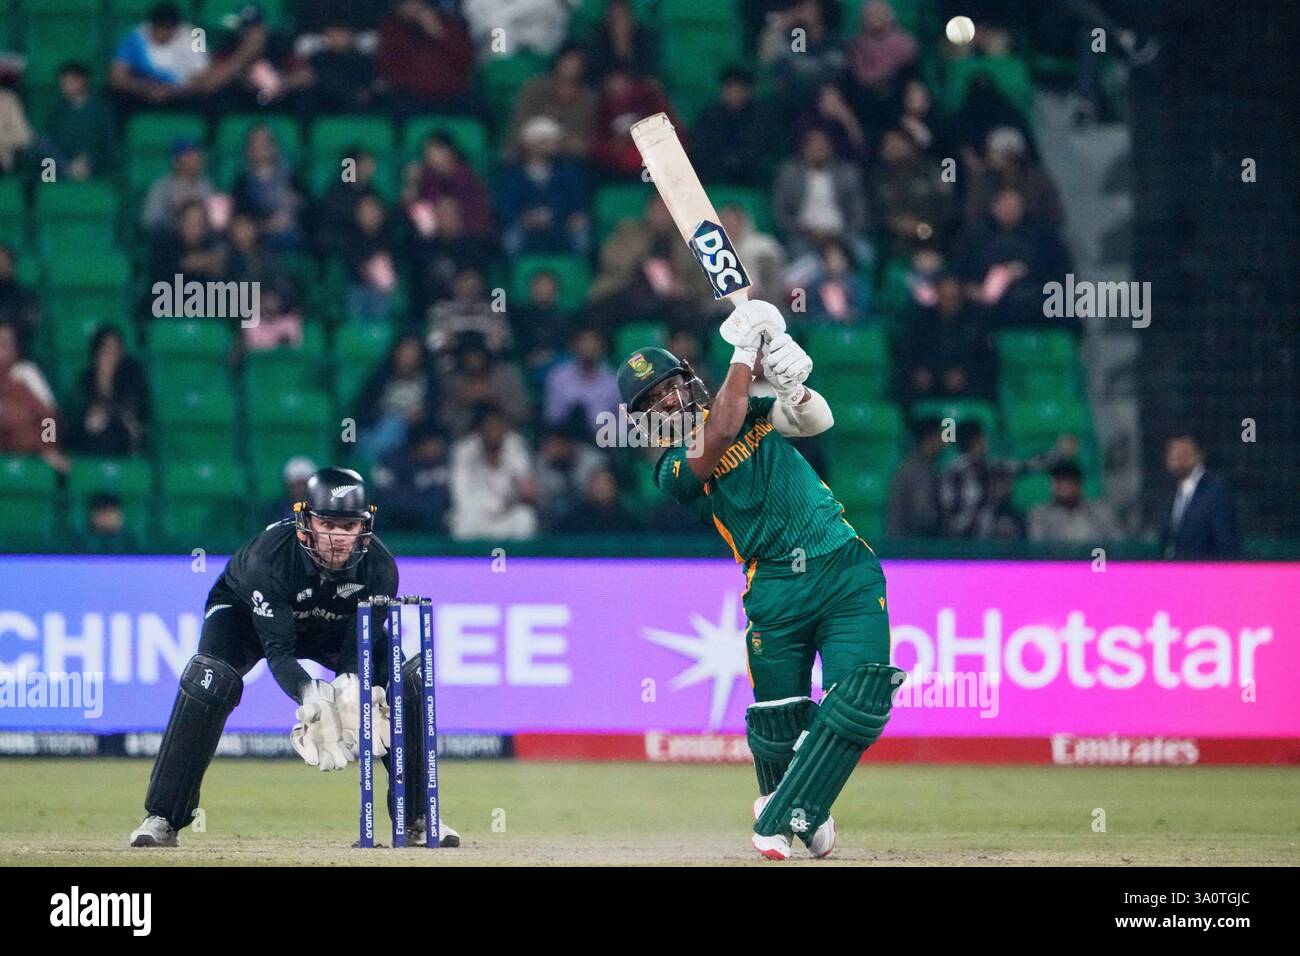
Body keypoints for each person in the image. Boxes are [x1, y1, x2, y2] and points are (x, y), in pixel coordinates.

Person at [619, 299, 903, 860]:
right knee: (778, 724)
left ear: (688, 379)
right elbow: (723, 423)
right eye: (651, 401)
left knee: (865, 695)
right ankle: (803, 807)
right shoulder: (673, 469)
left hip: (843, 565)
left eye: (670, 385)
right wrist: (748, 348)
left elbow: (817, 420)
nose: (667, 400)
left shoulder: (747, 407)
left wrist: (791, 381)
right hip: (774, 591)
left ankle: (779, 818)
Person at [128, 468, 458, 848]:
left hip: (334, 627)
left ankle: (416, 817)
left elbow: (355, 653)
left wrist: (351, 687)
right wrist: (312, 694)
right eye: (328, 523)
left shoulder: (380, 568)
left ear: (363, 527)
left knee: (406, 682)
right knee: (210, 680)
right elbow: (279, 653)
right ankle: (163, 818)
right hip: (244, 616)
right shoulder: (268, 560)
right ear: (305, 524)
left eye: (349, 526)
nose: (338, 537)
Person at [938, 421, 1076, 539]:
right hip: (962, 546)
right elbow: (948, 512)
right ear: (978, 441)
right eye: (984, 437)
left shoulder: (989, 467)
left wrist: (1058, 454)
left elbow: (1027, 466)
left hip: (975, 545)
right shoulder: (959, 473)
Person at [448, 407, 539, 541]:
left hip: (507, 513)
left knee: (525, 517)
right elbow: (459, 494)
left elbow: (525, 490)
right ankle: (469, 561)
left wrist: (507, 506)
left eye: (499, 428)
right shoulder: (464, 450)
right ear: (479, 431)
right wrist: (486, 509)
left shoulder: (515, 446)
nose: (495, 433)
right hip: (477, 514)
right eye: (490, 428)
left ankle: (518, 561)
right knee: (461, 520)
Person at [66, 326, 150, 456]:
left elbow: (133, 410)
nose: (111, 354)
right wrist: (90, 417)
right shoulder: (86, 378)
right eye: (106, 349)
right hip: (91, 432)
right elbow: (76, 409)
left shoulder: (132, 373)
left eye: (116, 349)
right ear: (96, 353)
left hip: (122, 431)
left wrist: (106, 412)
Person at [1160, 433, 1238, 558]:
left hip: (1204, 573)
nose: (1175, 457)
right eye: (1171, 453)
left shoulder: (1216, 492)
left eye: (1181, 452)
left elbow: (1226, 542)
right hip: (1172, 573)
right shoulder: (1171, 492)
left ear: (1197, 455)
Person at [1027, 460, 1120, 544]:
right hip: (1058, 561)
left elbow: (1118, 543)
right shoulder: (1040, 514)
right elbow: (1037, 548)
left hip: (1096, 560)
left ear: (1078, 484)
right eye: (1058, 480)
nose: (1062, 485)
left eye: (1067, 480)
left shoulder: (1100, 511)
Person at [886, 417, 943, 537]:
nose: (944, 443)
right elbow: (923, 517)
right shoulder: (913, 470)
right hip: (907, 547)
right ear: (930, 437)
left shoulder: (929, 467)